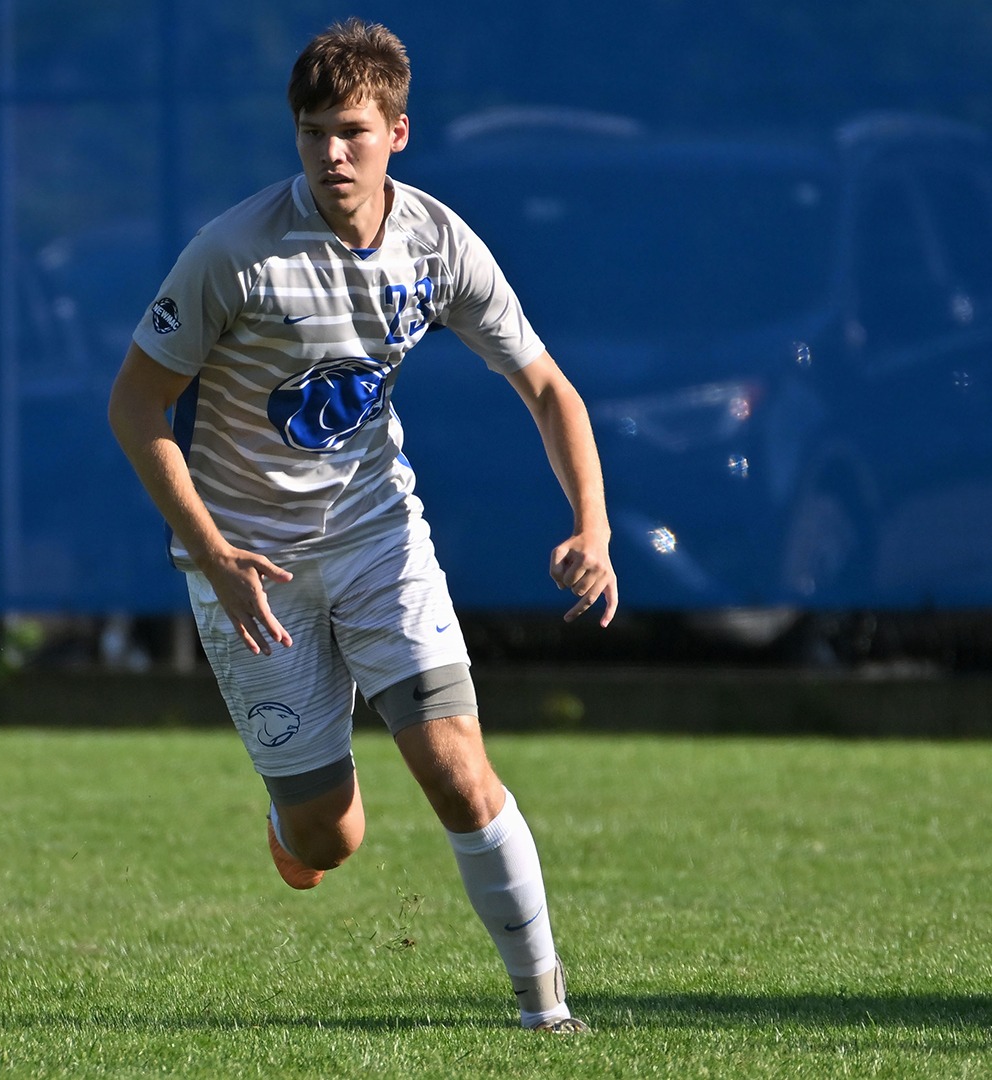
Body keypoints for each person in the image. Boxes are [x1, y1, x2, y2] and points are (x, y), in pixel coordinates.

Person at [107, 17, 615, 1033]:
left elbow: (550, 387)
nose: (331, 154)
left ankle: (548, 1012)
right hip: (248, 568)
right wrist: (212, 552)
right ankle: (291, 823)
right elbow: (134, 407)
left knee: (458, 773)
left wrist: (592, 528)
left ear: (398, 130)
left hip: (380, 538)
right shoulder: (233, 255)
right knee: (331, 838)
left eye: (351, 131)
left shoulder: (436, 242)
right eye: (312, 133)